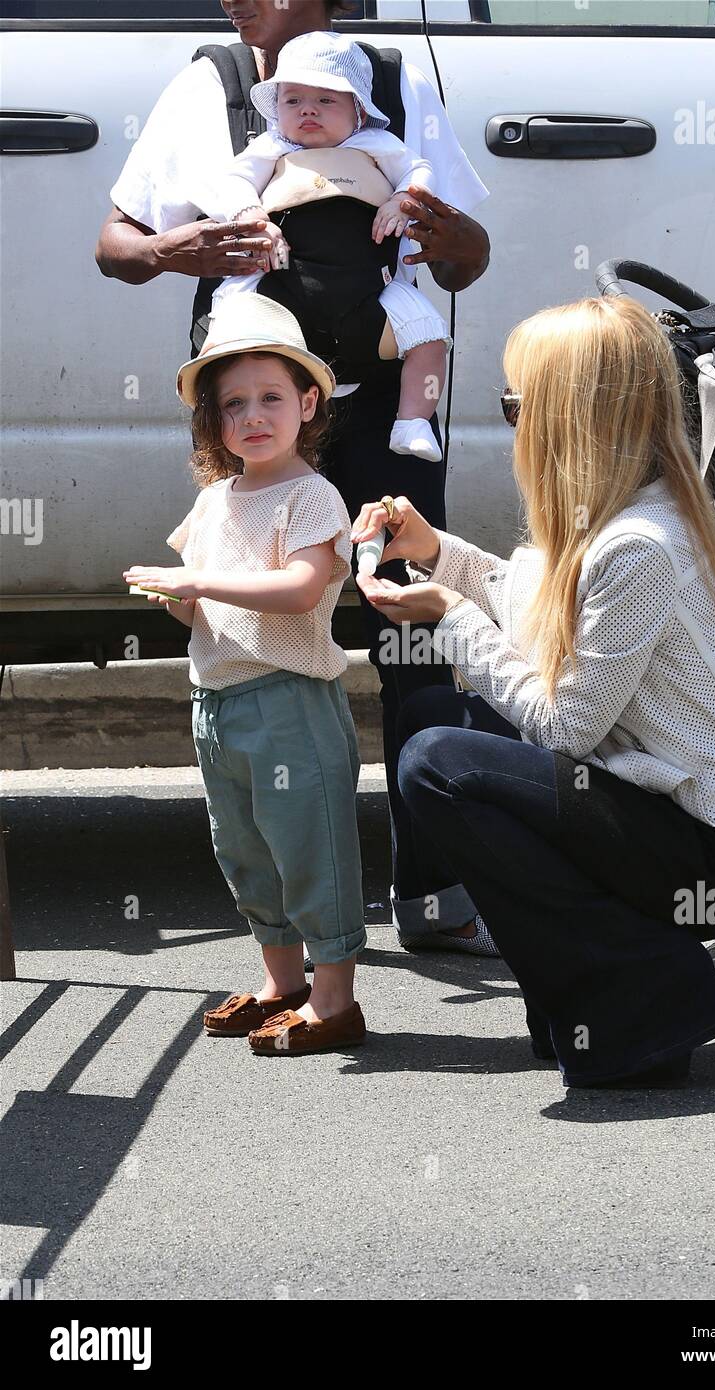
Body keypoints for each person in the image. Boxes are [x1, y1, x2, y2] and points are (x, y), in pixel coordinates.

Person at [95, 0, 491, 958]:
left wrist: (437, 234)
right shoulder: (211, 85)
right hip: (260, 417)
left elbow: (470, 257)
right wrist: (172, 251)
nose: (236, 1)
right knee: (257, 622)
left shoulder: (392, 85)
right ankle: (284, 899)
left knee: (408, 620)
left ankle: (433, 885)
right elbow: (118, 244)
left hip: (380, 397)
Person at [351, 296, 715, 1088]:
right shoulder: (625, 516)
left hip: (714, 850)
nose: (512, 422)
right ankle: (588, 995)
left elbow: (567, 729)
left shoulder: (639, 545)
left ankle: (643, 993)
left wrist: (449, 616)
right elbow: (532, 602)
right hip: (674, 815)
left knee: (438, 762)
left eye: (516, 403)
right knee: (427, 714)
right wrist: (436, 552)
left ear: (569, 418)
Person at [124, 294, 367, 1058]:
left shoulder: (311, 496)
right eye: (233, 404)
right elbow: (198, 608)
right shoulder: (214, 500)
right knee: (246, 852)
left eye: (271, 398)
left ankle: (334, 1004)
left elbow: (299, 589)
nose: (253, 416)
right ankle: (281, 983)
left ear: (308, 402)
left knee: (310, 847)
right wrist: (175, 595)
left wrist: (197, 586)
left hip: (289, 702)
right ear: (213, 421)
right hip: (220, 704)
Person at [196, 32, 452, 464]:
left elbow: (421, 170)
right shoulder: (272, 147)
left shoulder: (378, 145)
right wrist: (251, 215)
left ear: (358, 109)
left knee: (429, 335)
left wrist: (401, 200)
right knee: (230, 319)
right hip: (281, 279)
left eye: (326, 101)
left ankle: (412, 421)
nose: (308, 110)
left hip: (372, 286)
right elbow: (232, 181)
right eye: (293, 101)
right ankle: (219, 413)